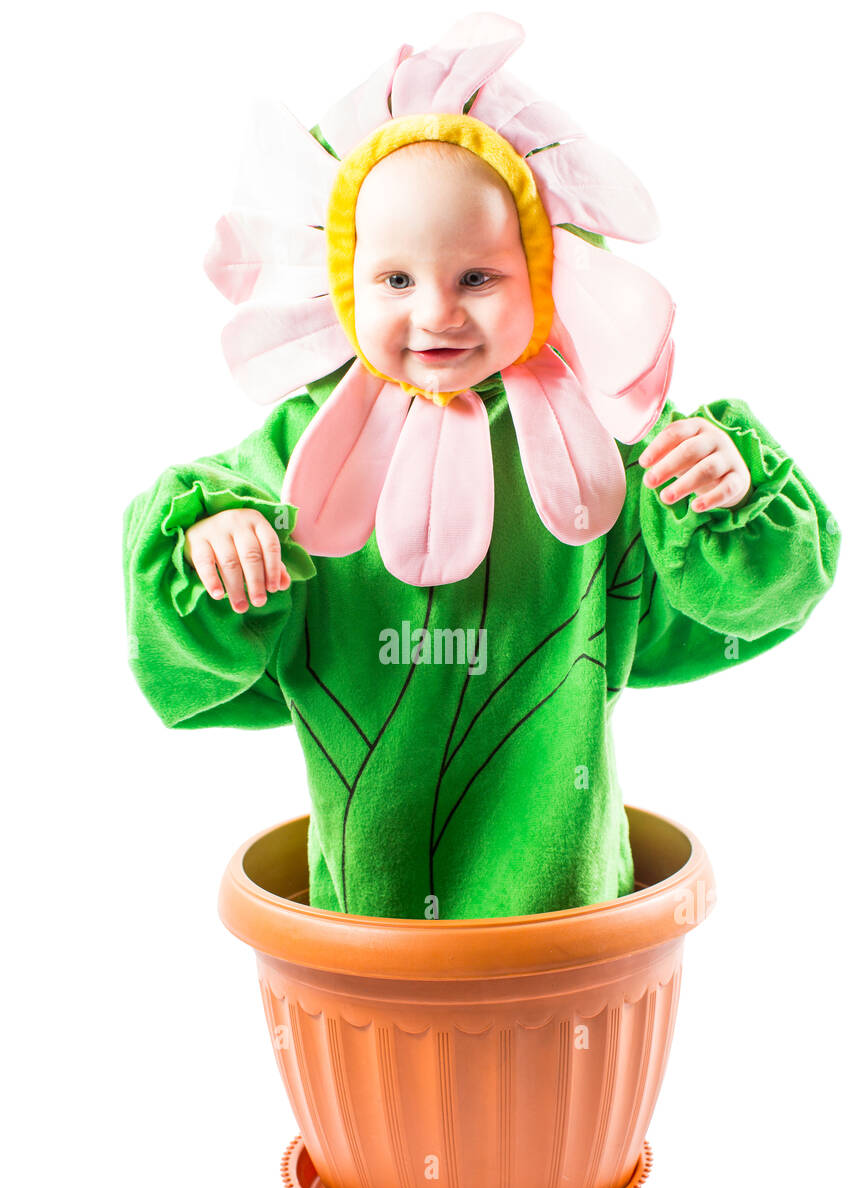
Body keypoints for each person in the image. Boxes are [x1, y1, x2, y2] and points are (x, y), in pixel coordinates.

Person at [123, 14, 840, 920]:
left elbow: (749, 604)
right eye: (395, 280)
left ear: (542, 270)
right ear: (338, 278)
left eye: (477, 277)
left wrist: (725, 489)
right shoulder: (306, 450)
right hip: (360, 930)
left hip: (575, 920)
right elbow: (188, 660)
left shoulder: (603, 440)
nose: (437, 317)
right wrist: (213, 542)